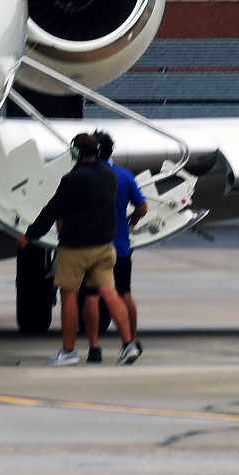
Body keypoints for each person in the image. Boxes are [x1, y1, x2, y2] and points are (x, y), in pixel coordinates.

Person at [24, 130, 135, 365]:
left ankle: (69, 351)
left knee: (70, 295)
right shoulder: (110, 177)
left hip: (75, 248)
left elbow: (52, 210)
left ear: (75, 152)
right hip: (104, 247)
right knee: (110, 293)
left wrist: (30, 235)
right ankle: (128, 344)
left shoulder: (71, 180)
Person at [95, 130, 147, 365]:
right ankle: (132, 340)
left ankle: (93, 347)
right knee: (124, 293)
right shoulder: (125, 177)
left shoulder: (86, 175)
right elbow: (143, 207)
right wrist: (132, 219)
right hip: (121, 245)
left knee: (92, 296)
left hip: (94, 245)